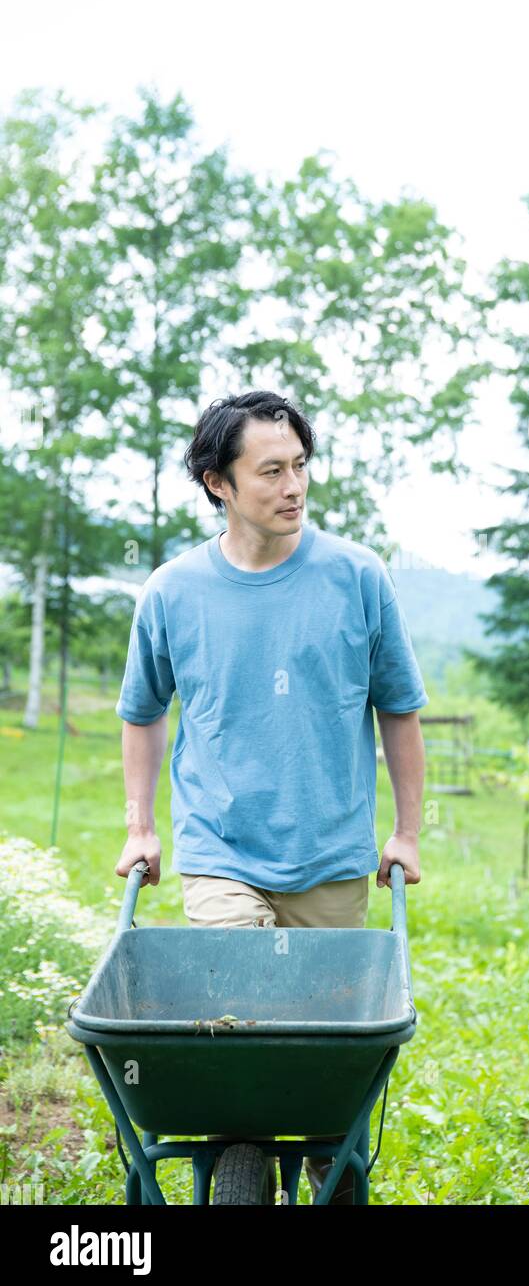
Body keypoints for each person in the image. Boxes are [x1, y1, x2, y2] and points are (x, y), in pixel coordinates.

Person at [113, 389, 428, 1204]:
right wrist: (141, 827)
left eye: (301, 468)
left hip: (332, 854)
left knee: (325, 1064)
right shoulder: (174, 591)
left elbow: (398, 708)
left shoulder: (357, 577)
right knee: (241, 1040)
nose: (295, 487)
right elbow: (142, 714)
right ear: (219, 482)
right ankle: (243, 1157)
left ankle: (329, 1156)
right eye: (272, 471)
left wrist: (408, 832)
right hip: (222, 852)